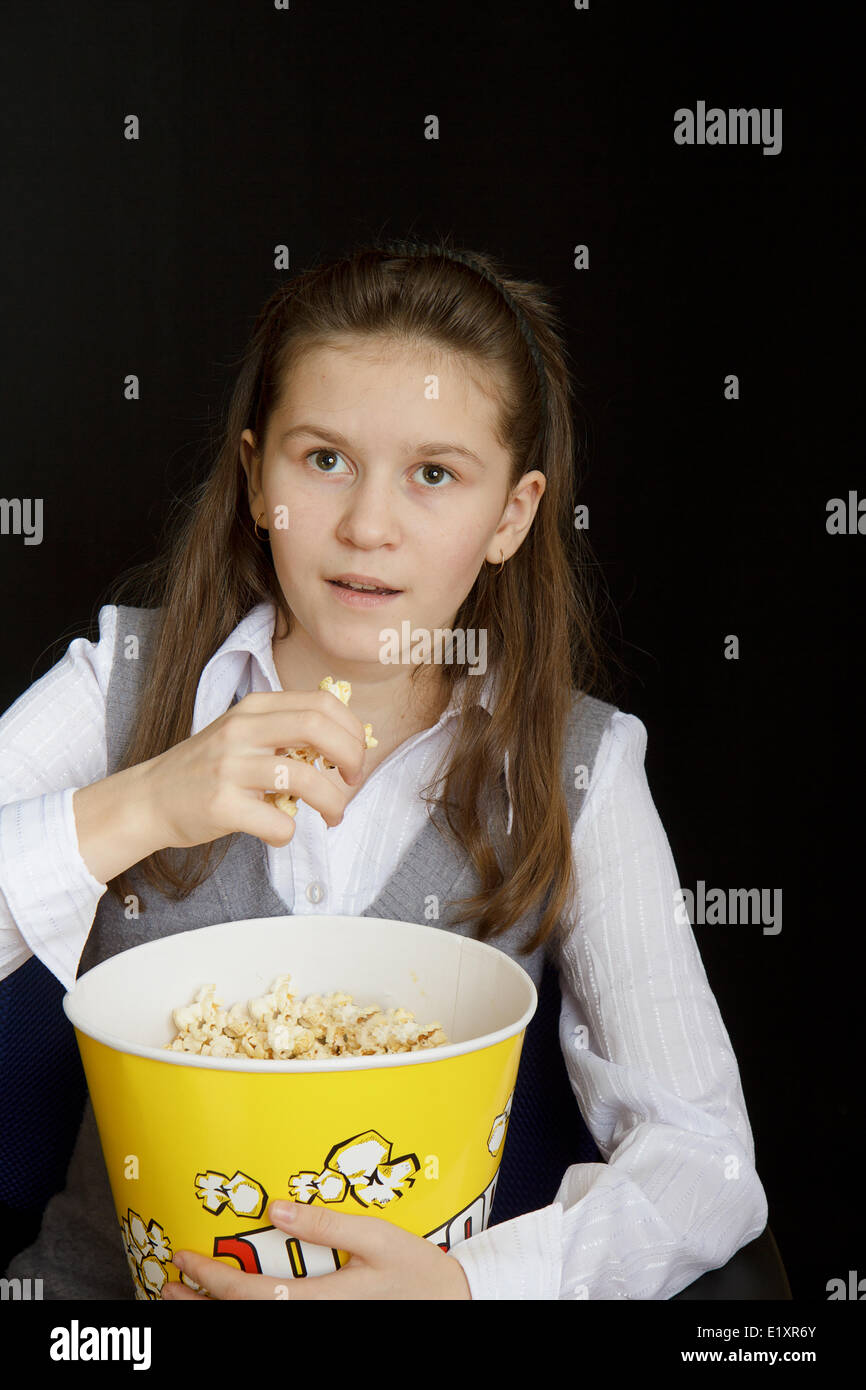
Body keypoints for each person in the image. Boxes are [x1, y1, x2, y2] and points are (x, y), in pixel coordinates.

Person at [0, 237, 768, 1300]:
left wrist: (469, 1289)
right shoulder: (119, 685)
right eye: (323, 461)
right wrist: (134, 805)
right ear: (254, 473)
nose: (367, 528)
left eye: (434, 475)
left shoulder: (580, 763)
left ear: (509, 514)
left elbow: (707, 1160)